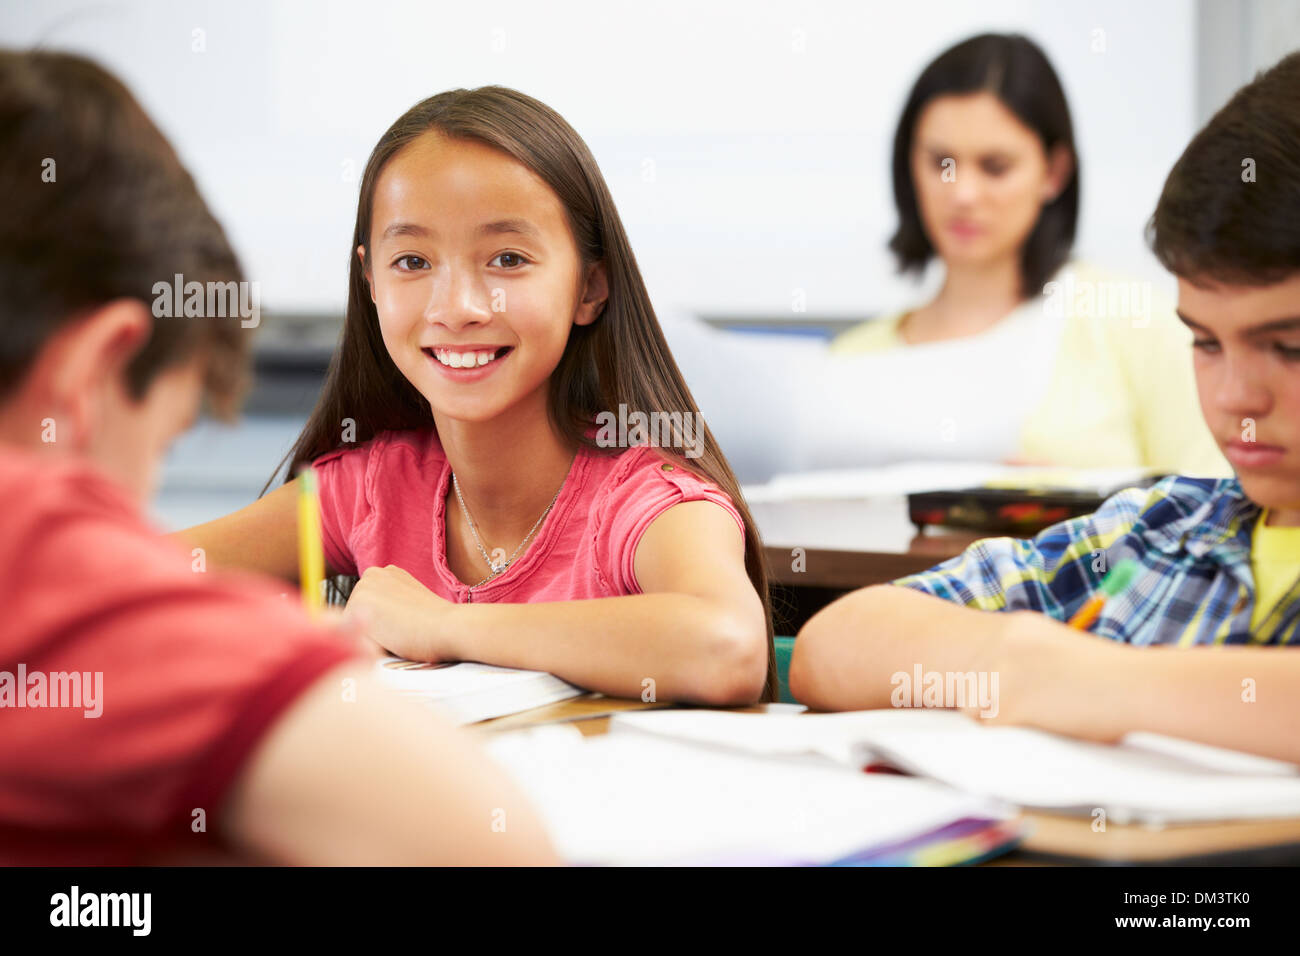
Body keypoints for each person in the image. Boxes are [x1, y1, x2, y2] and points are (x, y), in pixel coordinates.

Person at [0, 49, 556, 865]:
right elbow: (488, 846)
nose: (457, 305)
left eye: (506, 259)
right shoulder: (42, 567)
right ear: (92, 373)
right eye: (165, 438)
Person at [178, 87, 775, 705]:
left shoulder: (648, 502)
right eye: (412, 261)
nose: (457, 308)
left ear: (589, 288)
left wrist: (442, 625)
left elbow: (726, 648)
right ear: (370, 281)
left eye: (508, 259)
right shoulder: (370, 489)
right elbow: (119, 581)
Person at [790, 50, 1300, 763]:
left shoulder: (1116, 319)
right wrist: (1019, 662)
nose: (1236, 397)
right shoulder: (1158, 534)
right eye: (1206, 344)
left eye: (1288, 348)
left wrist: (1108, 685)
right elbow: (832, 645)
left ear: (1052, 171)